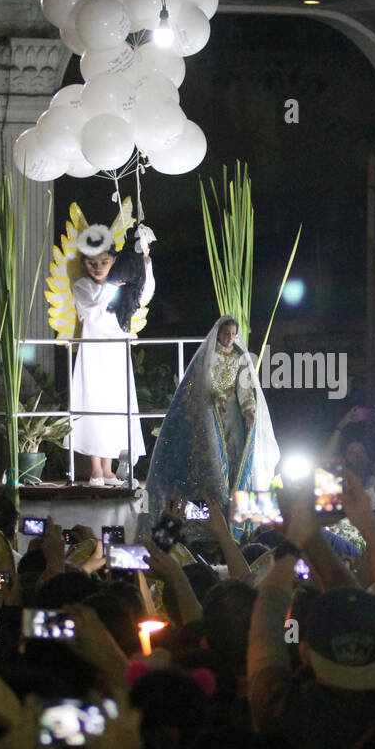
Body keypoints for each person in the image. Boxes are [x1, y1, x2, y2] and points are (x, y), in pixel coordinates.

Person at [145, 316, 280, 525]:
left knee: (235, 451)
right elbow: (204, 380)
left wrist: (248, 409)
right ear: (219, 334)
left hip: (232, 411)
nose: (230, 338)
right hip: (211, 410)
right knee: (212, 455)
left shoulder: (239, 356)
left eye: (233, 334)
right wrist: (216, 394)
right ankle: (211, 507)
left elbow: (244, 386)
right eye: (227, 333)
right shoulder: (209, 355)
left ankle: (235, 507)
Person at [67, 221, 155, 487]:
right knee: (94, 405)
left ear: (113, 260)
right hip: (94, 352)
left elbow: (146, 293)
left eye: (104, 262)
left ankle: (109, 469)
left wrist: (144, 262)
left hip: (117, 352)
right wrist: (115, 282)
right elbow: (93, 309)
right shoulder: (83, 286)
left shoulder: (124, 286)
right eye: (91, 263)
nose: (97, 268)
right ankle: (95, 468)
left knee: (115, 405)